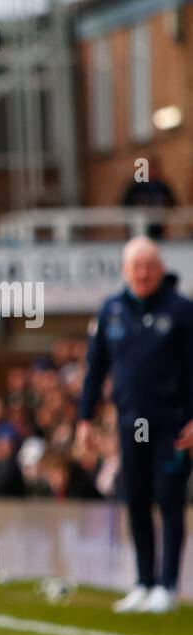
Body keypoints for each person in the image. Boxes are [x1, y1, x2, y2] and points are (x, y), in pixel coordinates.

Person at [78, 236, 193, 614]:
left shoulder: (181, 311)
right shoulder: (111, 311)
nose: (142, 274)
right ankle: (143, 581)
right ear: (125, 271)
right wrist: (84, 417)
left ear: (160, 269)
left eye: (149, 266)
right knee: (136, 501)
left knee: (169, 500)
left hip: (172, 425)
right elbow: (96, 370)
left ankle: (168, 585)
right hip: (131, 424)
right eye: (135, 267)